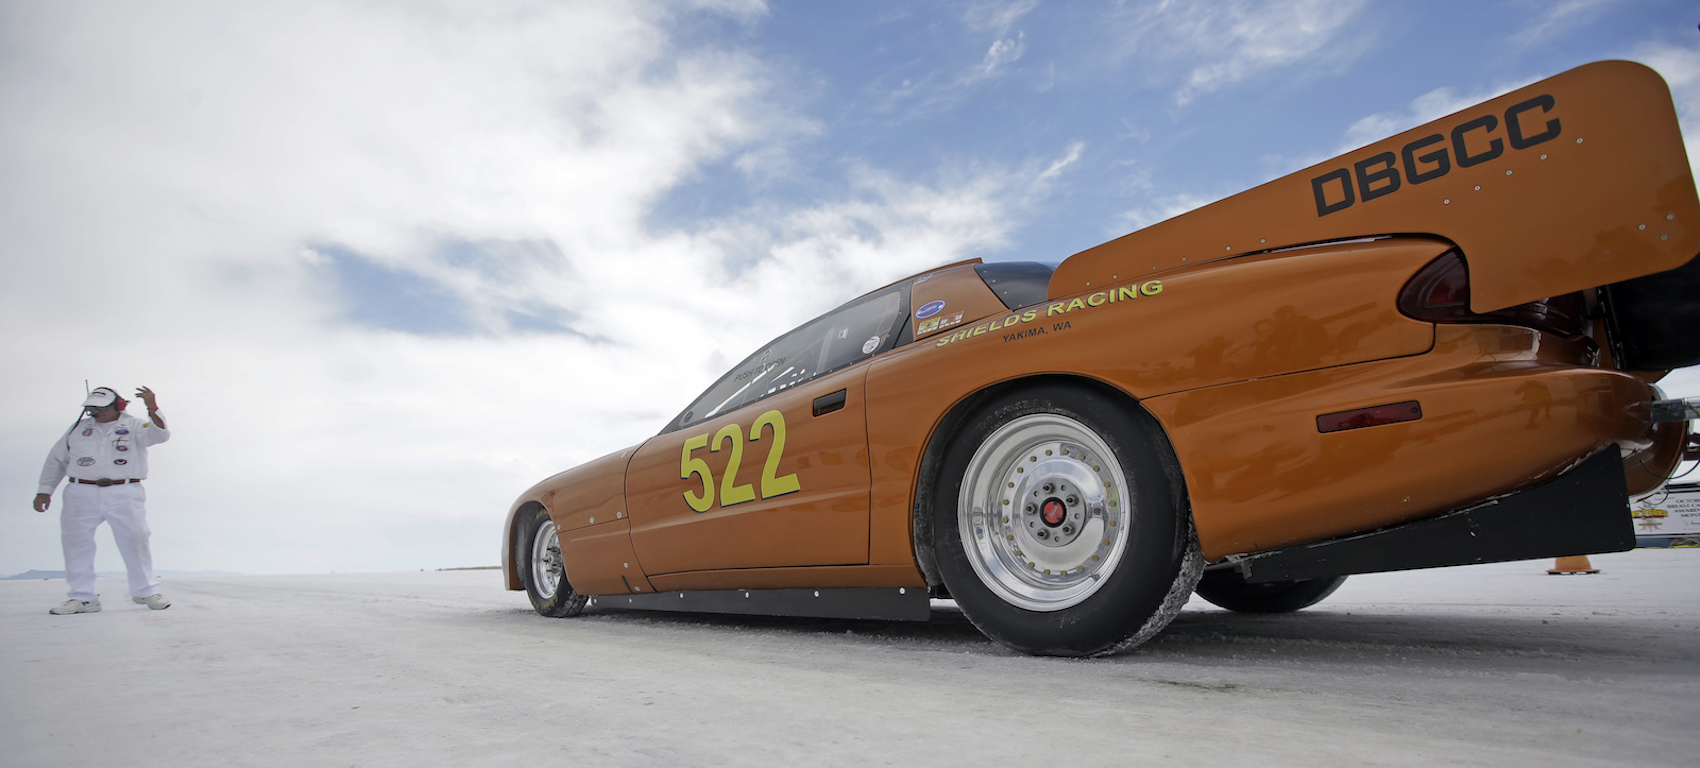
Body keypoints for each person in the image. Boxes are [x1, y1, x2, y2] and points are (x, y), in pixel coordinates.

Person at [33, 386, 173, 615]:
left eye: (100, 408)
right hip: (81, 491)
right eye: (91, 408)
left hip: (124, 490)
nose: (94, 412)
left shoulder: (135, 425)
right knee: (76, 543)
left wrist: (152, 407)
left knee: (136, 539)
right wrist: (45, 490)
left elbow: (161, 435)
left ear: (118, 405)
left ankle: (145, 591)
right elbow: (57, 459)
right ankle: (82, 597)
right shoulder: (78, 429)